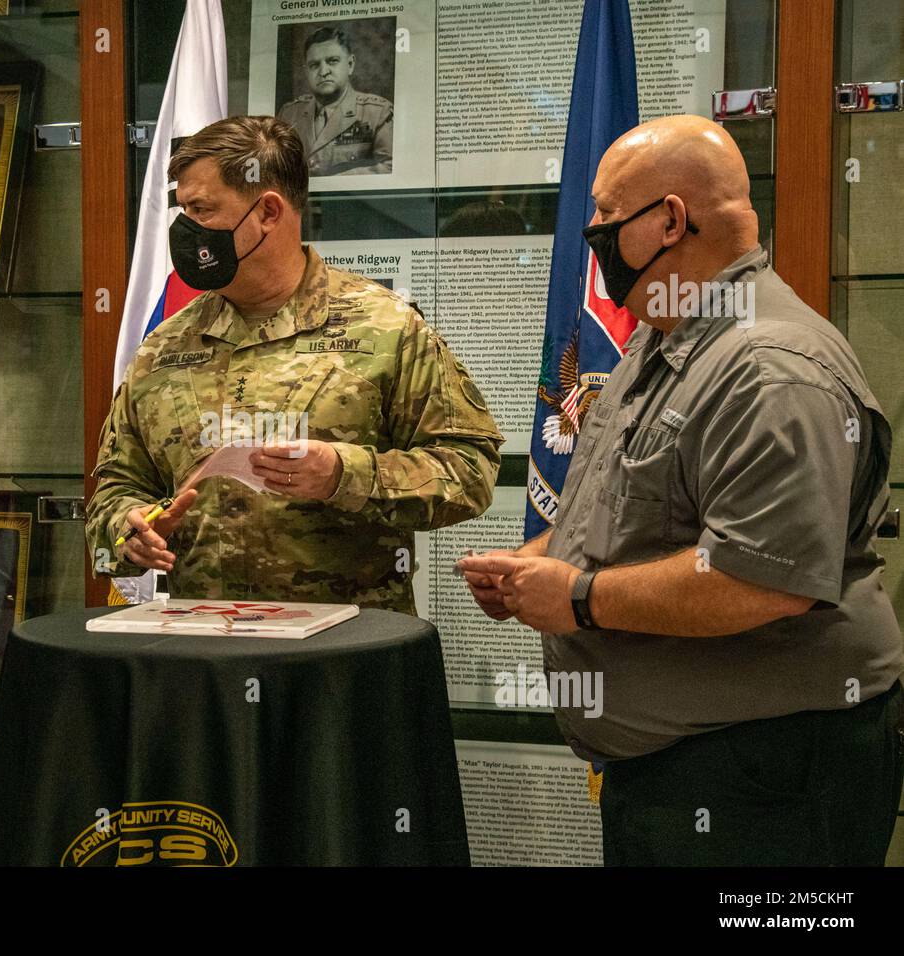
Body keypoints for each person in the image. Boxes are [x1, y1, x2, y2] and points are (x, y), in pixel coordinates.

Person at [459, 115, 904, 866]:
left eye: (603, 215)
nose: (590, 233)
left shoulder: (768, 366)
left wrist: (576, 597)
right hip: (685, 771)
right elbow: (628, 501)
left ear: (670, 220)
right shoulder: (664, 334)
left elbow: (759, 581)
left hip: (761, 781)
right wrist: (538, 559)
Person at [87, 116, 502, 614]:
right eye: (183, 210)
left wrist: (342, 474)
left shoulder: (386, 328)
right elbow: (116, 484)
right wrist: (128, 527)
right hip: (204, 651)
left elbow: (468, 470)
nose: (186, 228)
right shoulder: (165, 345)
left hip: (344, 653)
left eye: (201, 209)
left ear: (267, 212)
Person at [277, 27, 394, 176]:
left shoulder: (377, 112)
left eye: (332, 61)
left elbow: (390, 167)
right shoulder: (289, 114)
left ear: (350, 64)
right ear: (306, 71)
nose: (323, 71)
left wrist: (337, 181)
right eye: (314, 65)